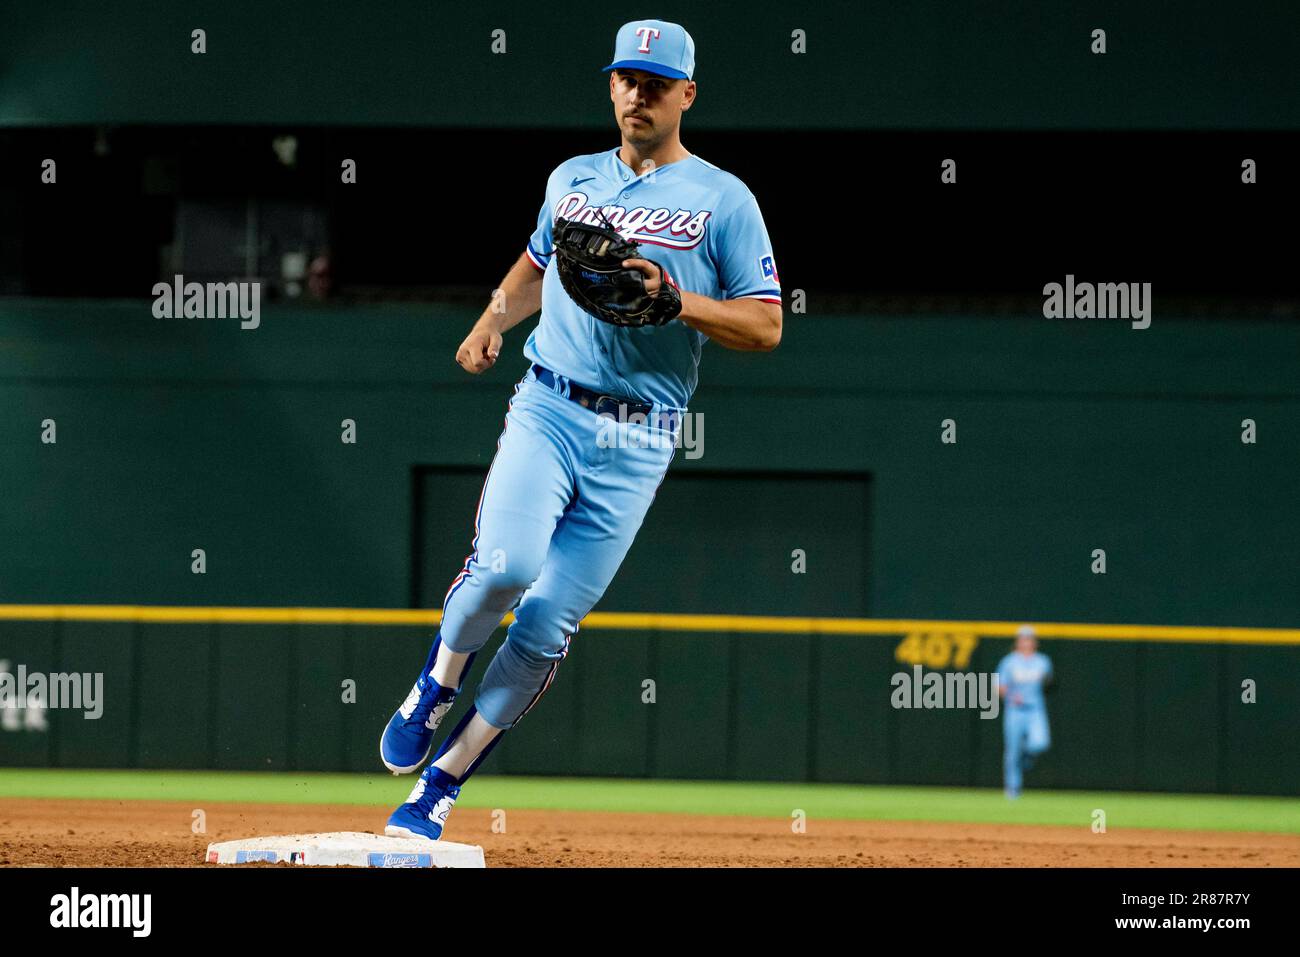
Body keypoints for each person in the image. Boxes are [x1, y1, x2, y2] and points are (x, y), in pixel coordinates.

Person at [380, 18, 783, 840]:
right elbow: (536, 262)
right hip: (550, 405)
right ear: (611, 86)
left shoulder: (725, 199)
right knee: (506, 566)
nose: (639, 92)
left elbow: (766, 325)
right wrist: (493, 317)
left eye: (657, 82)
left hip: (639, 437)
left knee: (545, 621)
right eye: (627, 78)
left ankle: (441, 786)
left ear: (687, 95)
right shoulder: (570, 179)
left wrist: (683, 302)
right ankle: (435, 681)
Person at [996, 625, 1053, 799]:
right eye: (1023, 639)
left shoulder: (1043, 661)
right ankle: (1013, 789)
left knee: (1040, 743)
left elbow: (1049, 682)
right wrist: (1011, 696)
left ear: (1035, 642)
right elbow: (998, 686)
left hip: (1035, 709)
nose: (1026, 642)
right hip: (1015, 709)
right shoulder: (1009, 661)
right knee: (1012, 751)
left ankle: (1026, 756)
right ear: (1018, 642)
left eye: (1029, 639)